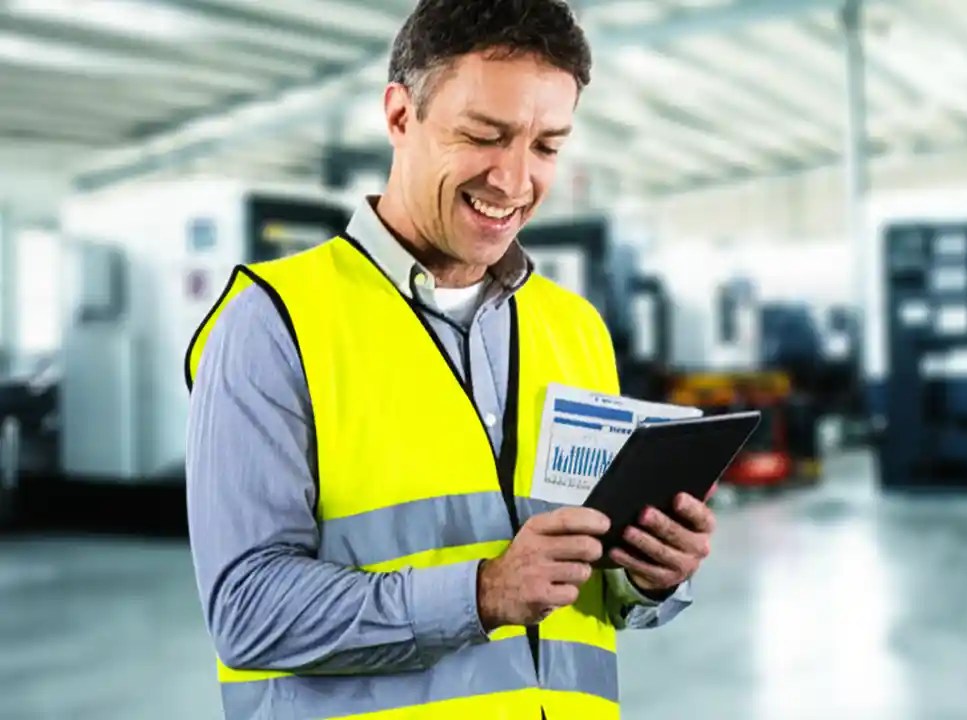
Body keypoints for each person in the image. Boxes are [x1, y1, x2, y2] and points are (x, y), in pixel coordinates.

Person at [183, 1, 718, 718]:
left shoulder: (576, 328)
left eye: (546, 147)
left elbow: (589, 588)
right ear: (400, 116)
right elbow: (247, 612)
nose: (514, 181)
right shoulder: (272, 324)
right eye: (484, 136)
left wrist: (651, 574)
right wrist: (483, 592)